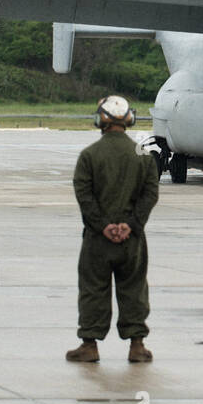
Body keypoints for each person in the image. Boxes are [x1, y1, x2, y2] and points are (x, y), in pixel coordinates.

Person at [67, 95, 159, 364]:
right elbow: (150, 194)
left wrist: (103, 226)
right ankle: (137, 345)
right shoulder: (143, 156)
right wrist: (131, 225)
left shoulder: (89, 155)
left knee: (93, 288)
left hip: (98, 240)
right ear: (129, 119)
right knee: (134, 288)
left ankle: (89, 345)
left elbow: (84, 195)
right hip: (132, 241)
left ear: (101, 120)